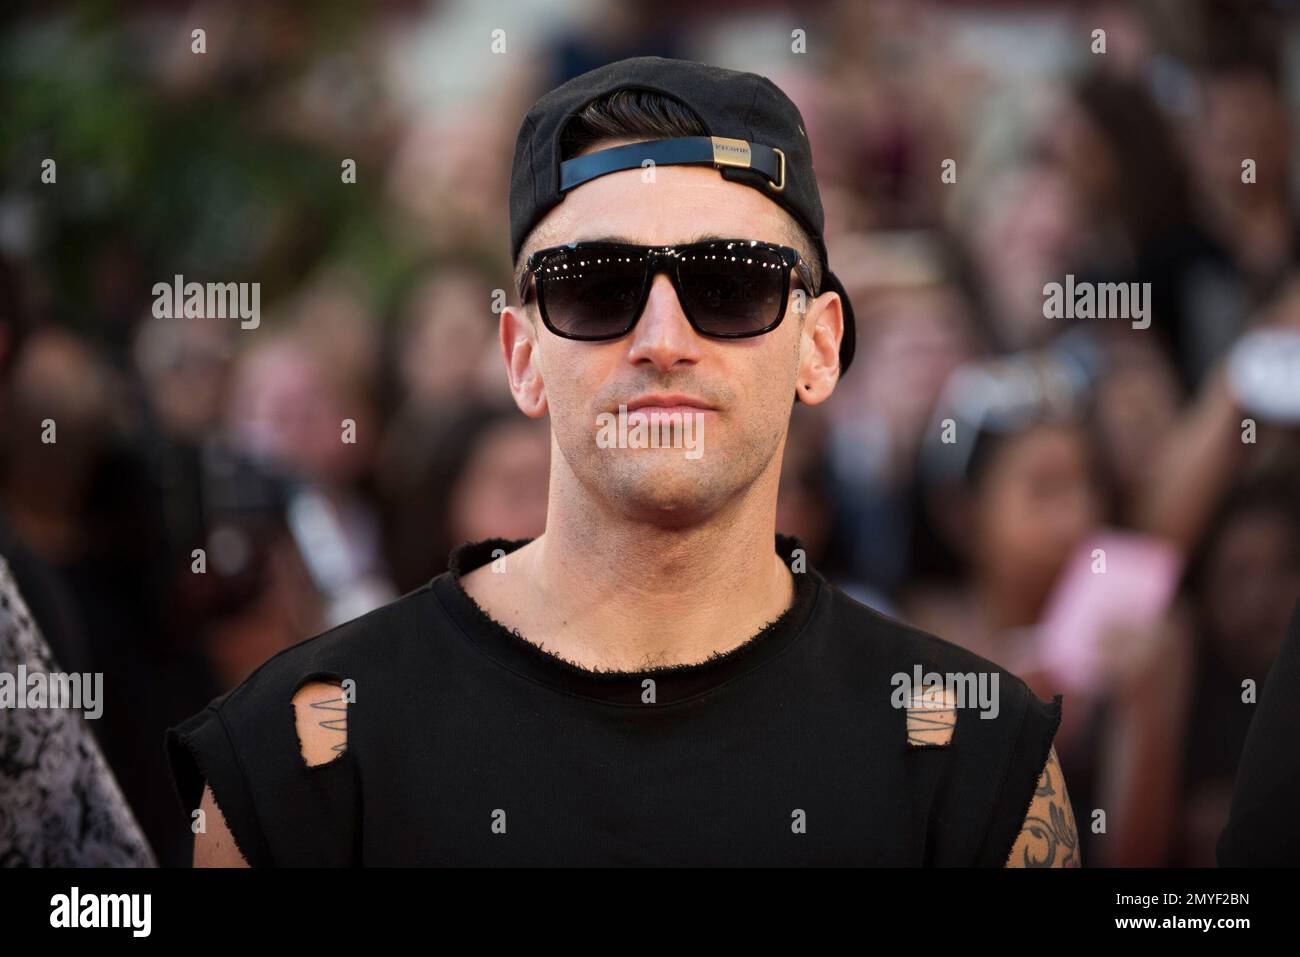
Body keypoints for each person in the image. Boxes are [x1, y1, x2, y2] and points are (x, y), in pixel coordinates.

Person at [166, 56, 1077, 867]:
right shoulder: (308, 751)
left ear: (821, 347)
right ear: (522, 356)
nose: (663, 339)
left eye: (730, 284)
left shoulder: (969, 754)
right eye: (597, 288)